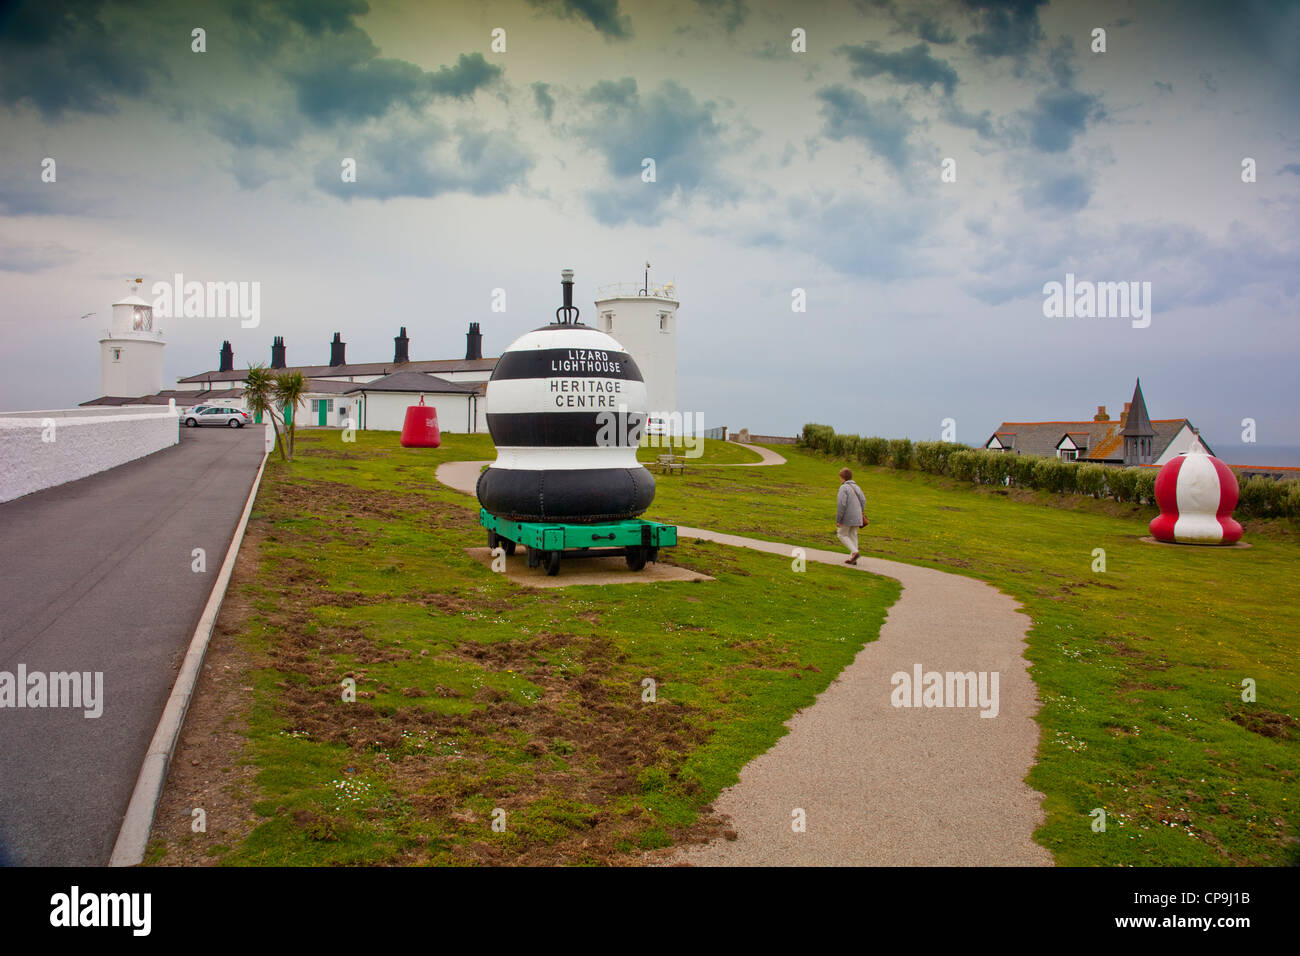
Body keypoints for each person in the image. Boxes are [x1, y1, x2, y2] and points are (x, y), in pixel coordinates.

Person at [835, 467, 867, 564]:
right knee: (853, 535)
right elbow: (863, 500)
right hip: (858, 516)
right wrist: (860, 511)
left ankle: (855, 552)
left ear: (843, 478)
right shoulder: (857, 487)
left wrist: (838, 519)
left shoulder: (843, 487)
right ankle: (853, 559)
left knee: (841, 534)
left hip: (848, 516)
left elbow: (841, 504)